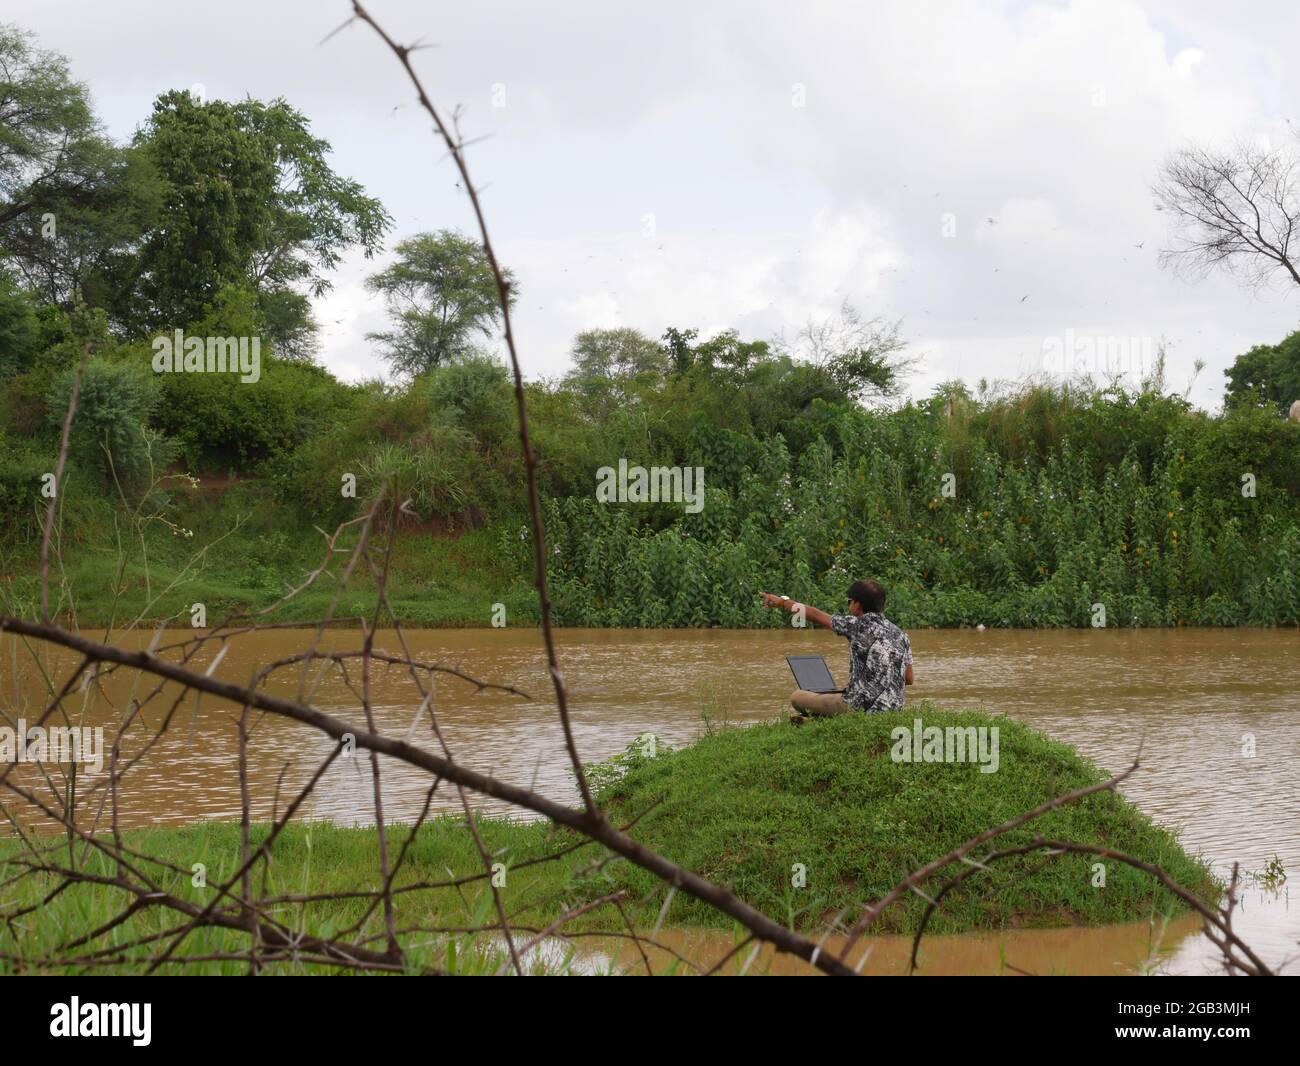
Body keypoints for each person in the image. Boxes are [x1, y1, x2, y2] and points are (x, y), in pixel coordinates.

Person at [760, 579, 914, 723]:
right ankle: (820, 719)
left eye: (849, 602)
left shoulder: (856, 625)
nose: (849, 605)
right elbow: (909, 679)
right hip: (895, 708)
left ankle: (816, 720)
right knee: (839, 694)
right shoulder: (901, 635)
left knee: (797, 697)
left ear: (857, 605)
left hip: (860, 707)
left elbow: (815, 615)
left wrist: (781, 602)